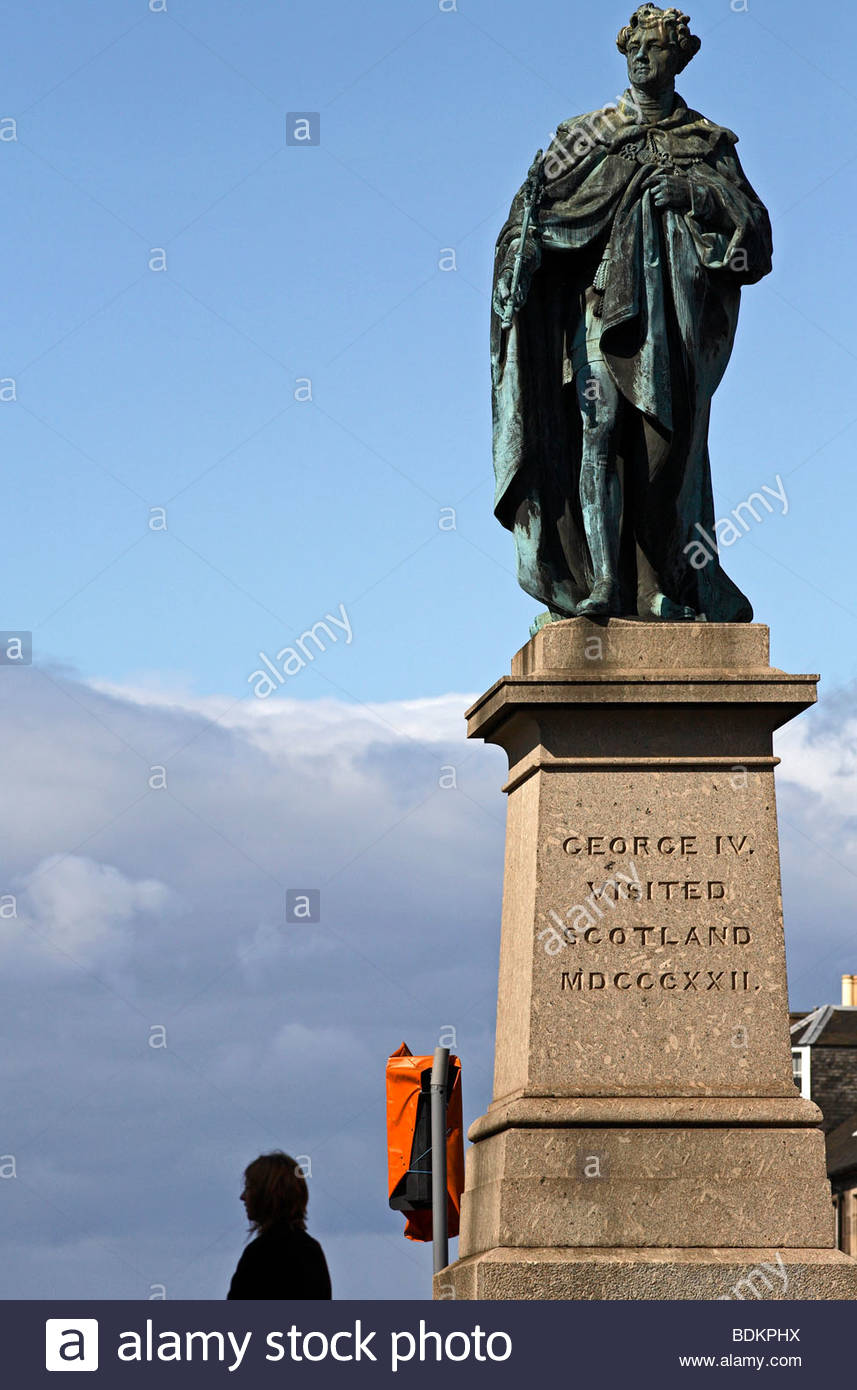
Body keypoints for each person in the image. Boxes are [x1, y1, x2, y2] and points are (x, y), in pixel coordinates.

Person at [492, 5, 772, 624]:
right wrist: (524, 252)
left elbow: (757, 236)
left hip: (668, 329)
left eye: (654, 47)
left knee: (660, 455)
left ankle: (657, 586)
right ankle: (604, 584)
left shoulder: (706, 143)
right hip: (597, 316)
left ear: (681, 57)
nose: (642, 57)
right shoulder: (584, 136)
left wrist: (695, 193)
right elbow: (526, 222)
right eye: (633, 48)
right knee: (597, 435)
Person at [227, 1151, 332, 1300]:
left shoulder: (258, 1254)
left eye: (249, 1188)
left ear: (265, 1194)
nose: (243, 1197)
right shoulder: (312, 1251)